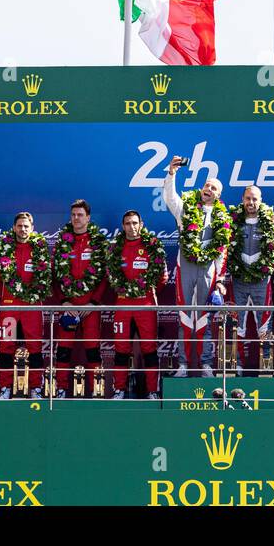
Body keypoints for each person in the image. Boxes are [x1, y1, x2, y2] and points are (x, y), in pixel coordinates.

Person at [164, 156, 232, 376]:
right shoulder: (186, 207)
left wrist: (220, 279)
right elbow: (170, 198)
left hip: (208, 270)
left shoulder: (223, 216)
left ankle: (205, 364)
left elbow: (222, 252)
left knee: (204, 317)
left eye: (213, 188)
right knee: (184, 315)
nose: (208, 189)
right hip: (185, 266)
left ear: (218, 195)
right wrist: (171, 174)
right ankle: (183, 364)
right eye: (206, 186)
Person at [107, 210, 168, 398]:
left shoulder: (152, 245)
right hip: (123, 306)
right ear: (123, 226)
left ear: (141, 224)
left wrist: (145, 292)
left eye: (135, 223)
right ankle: (120, 390)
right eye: (127, 223)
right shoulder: (115, 247)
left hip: (146, 305)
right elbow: (110, 275)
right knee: (121, 351)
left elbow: (162, 277)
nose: (131, 227)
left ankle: (152, 391)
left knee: (149, 350)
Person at [0, 212, 52, 399]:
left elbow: (46, 279)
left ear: (32, 228)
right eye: (19, 226)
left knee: (35, 348)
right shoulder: (4, 248)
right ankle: (5, 388)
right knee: (5, 348)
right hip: (9, 307)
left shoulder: (39, 249)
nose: (23, 229)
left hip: (32, 307)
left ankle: (35, 387)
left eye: (26, 226)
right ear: (14, 228)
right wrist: (6, 297)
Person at [53, 199, 108, 397]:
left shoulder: (98, 241)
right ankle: (59, 389)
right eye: (73, 215)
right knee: (63, 351)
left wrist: (94, 302)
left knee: (93, 351)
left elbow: (104, 276)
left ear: (88, 218)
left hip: (90, 307)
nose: (76, 218)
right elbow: (54, 275)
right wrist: (63, 302)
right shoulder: (62, 241)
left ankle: (97, 392)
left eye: (80, 215)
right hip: (69, 306)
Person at [227, 186, 274, 373]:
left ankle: (266, 366)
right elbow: (226, 250)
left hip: (261, 282)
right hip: (238, 280)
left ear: (261, 200)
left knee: (265, 325)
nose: (251, 202)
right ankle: (237, 365)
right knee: (236, 325)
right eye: (248, 198)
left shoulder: (270, 221)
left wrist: (262, 271)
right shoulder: (232, 220)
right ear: (242, 199)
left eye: (255, 199)